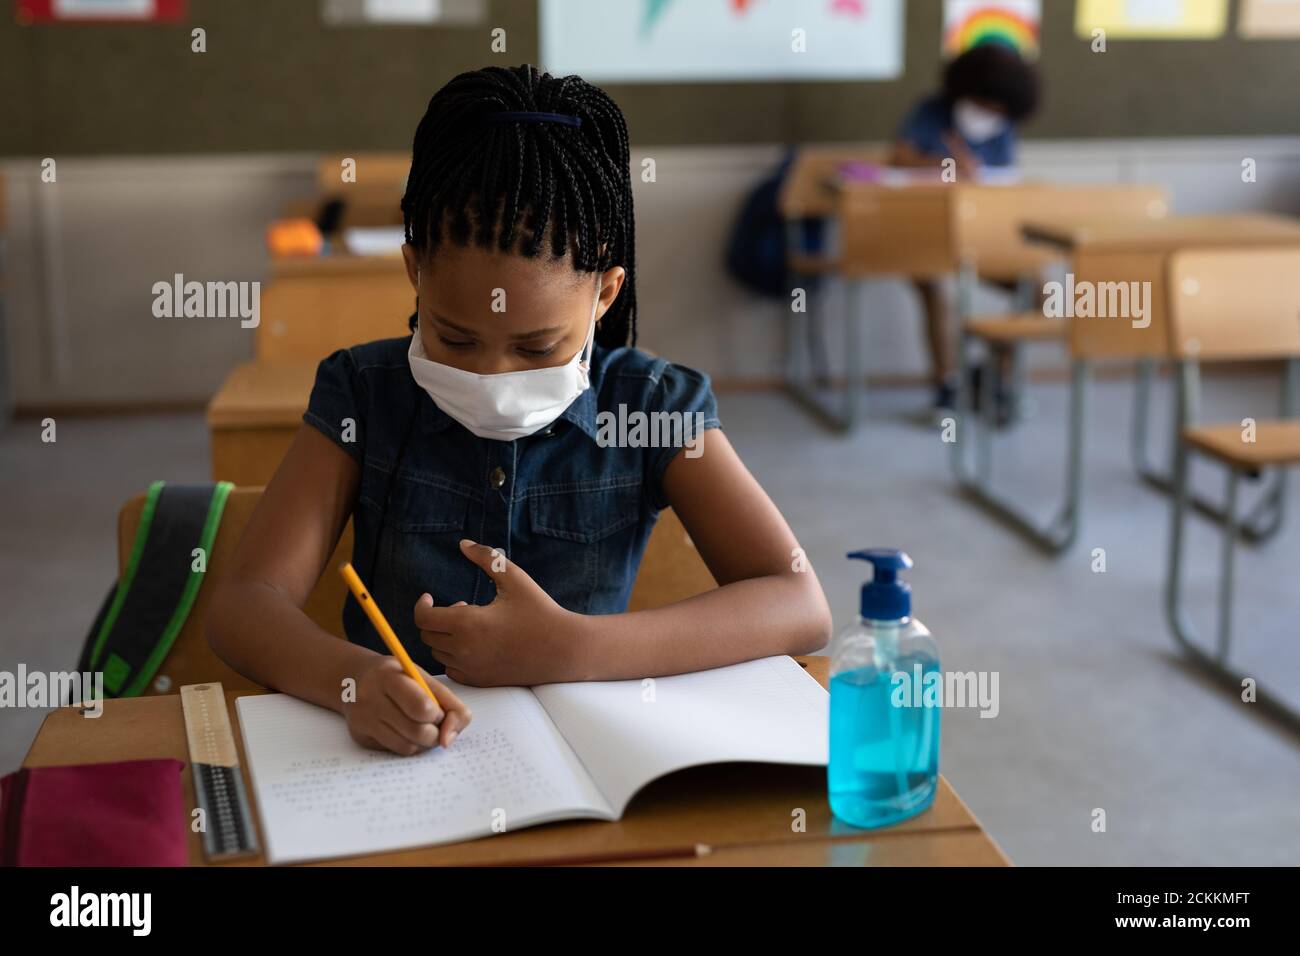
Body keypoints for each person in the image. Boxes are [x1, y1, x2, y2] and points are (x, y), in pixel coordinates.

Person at [207, 64, 833, 756]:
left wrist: (575, 648)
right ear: (415, 271)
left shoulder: (652, 406)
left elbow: (798, 603)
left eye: (537, 347)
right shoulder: (363, 394)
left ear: (604, 293)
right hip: (404, 765)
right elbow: (243, 607)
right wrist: (352, 679)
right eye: (455, 337)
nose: (492, 376)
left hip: (586, 757)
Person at [890, 43, 1041, 418]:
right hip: (925, 234)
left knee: (1038, 287)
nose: (991, 114)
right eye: (987, 104)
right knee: (934, 285)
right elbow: (899, 157)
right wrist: (946, 165)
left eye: (999, 110)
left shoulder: (1002, 128)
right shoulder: (932, 112)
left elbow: (1005, 181)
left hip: (983, 239)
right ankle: (948, 384)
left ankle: (997, 375)